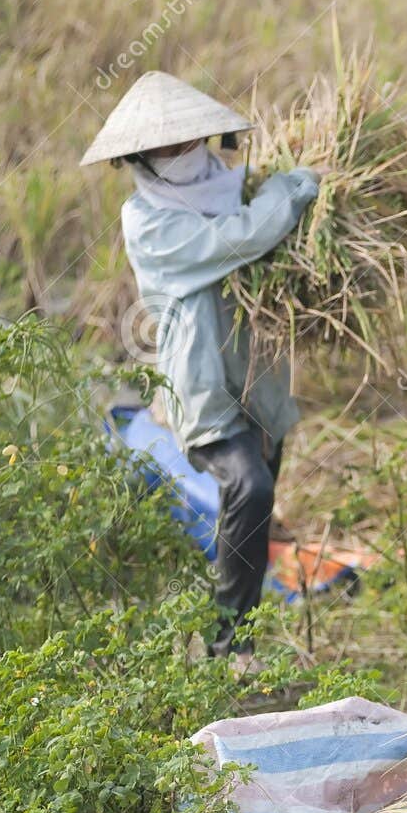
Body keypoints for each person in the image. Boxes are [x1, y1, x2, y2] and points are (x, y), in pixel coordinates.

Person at [81, 72, 320, 673]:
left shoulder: (237, 185)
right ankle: (226, 645)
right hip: (200, 381)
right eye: (166, 148)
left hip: (258, 368)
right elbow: (238, 240)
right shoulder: (149, 220)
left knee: (256, 501)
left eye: (188, 141)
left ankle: (242, 639)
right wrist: (292, 193)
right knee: (250, 487)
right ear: (141, 158)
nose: (181, 153)